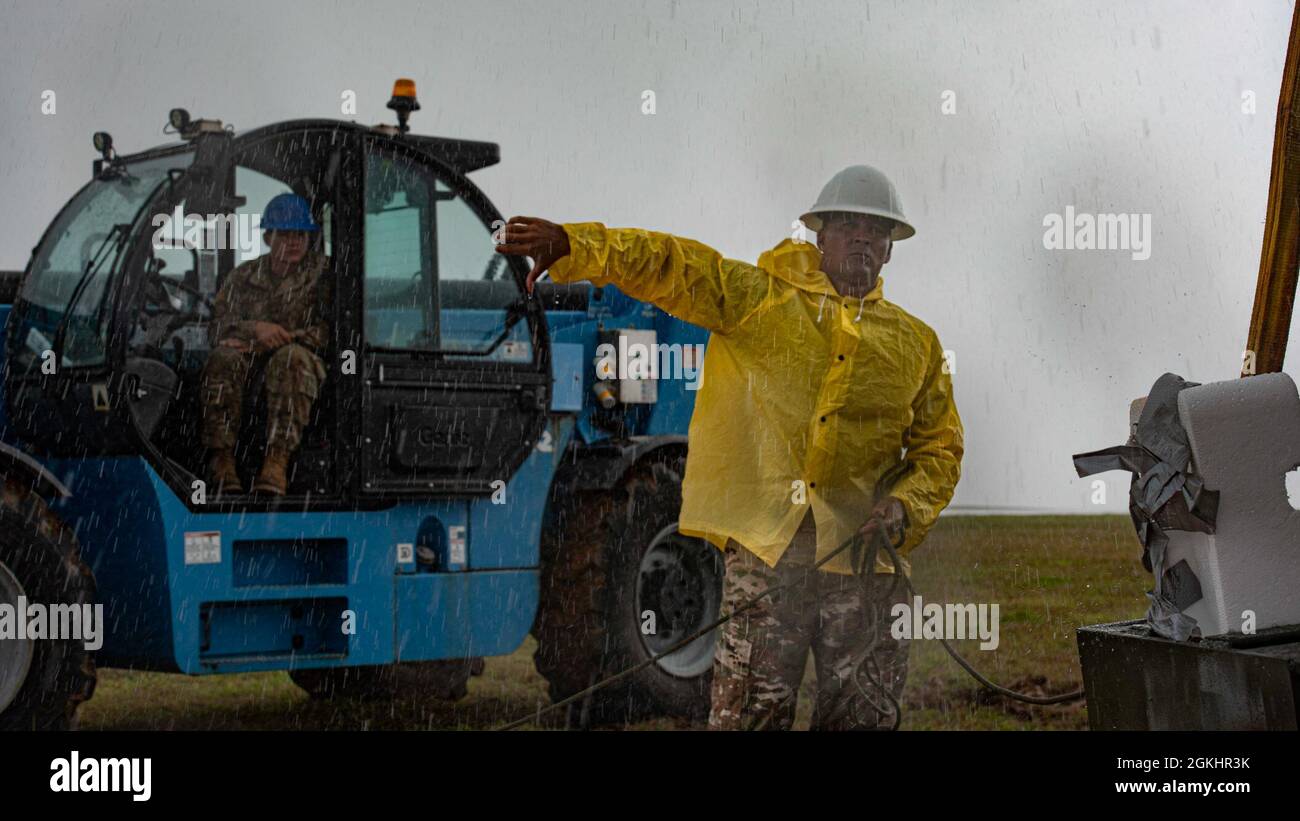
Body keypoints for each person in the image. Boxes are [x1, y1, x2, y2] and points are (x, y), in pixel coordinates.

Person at [496, 165, 963, 730]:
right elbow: (674, 264)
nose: (862, 236)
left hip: (866, 566)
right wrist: (578, 246)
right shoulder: (757, 300)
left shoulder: (917, 345)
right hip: (768, 560)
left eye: (876, 228)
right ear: (821, 236)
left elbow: (939, 449)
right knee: (748, 718)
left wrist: (904, 506)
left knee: (864, 719)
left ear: (890, 250)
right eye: (847, 224)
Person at [201, 193, 331, 497]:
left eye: (301, 234)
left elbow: (335, 331)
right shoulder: (243, 276)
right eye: (285, 234)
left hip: (304, 362)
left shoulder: (324, 275)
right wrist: (254, 329)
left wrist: (280, 339)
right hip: (249, 364)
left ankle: (277, 462)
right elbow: (216, 326)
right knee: (222, 358)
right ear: (268, 236)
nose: (295, 242)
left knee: (291, 359)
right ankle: (222, 462)